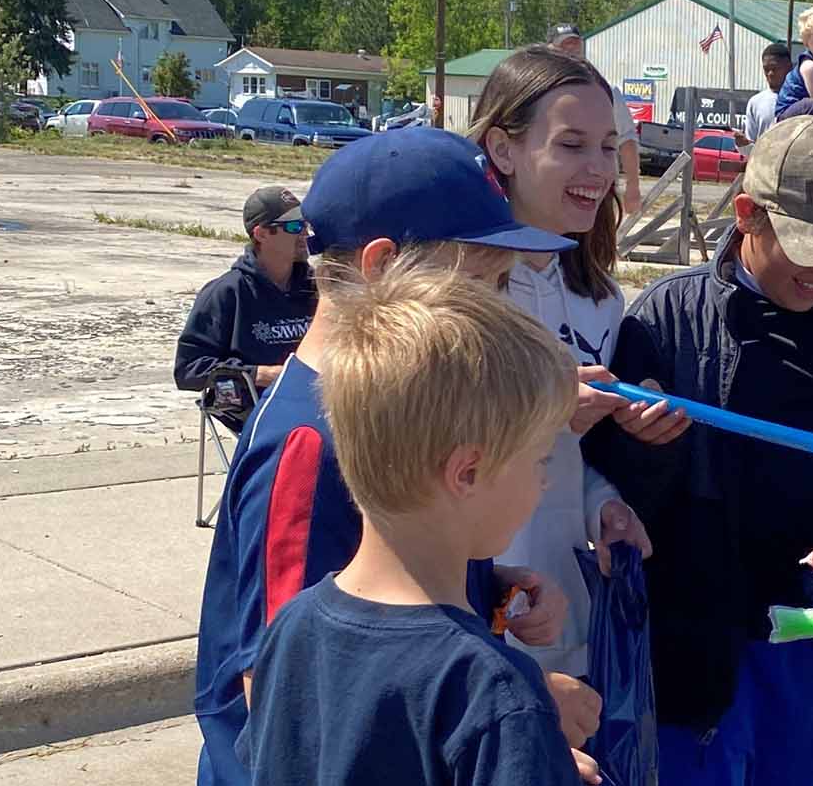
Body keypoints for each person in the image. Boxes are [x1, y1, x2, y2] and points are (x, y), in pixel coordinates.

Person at [193, 128, 586, 786]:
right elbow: (285, 689)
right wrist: (510, 717)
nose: (498, 305)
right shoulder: (307, 441)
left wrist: (485, 585)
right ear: (382, 268)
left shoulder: (390, 415)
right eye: (485, 281)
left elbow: (373, 588)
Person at [584, 115, 813, 786]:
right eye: (810, 248)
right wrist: (646, 449)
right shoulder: (663, 320)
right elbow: (613, 496)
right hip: (697, 643)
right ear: (748, 216)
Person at [470, 47, 682, 700]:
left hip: (566, 610)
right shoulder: (457, 285)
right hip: (475, 604)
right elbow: (423, 450)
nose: (599, 168)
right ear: (503, 149)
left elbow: (566, 457)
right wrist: (545, 406)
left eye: (609, 147)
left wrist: (606, 505)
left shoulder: (602, 299)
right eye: (572, 144)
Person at [174, 185, 318, 398]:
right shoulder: (227, 292)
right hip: (256, 406)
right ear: (261, 234)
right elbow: (189, 370)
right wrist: (261, 374)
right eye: (295, 226)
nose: (305, 234)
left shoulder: (317, 288)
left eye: (306, 225)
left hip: (316, 399)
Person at [547, 23, 642, 216]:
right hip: (548, 193)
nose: (572, 51)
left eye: (576, 45)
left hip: (595, 193)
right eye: (564, 46)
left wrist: (633, 186)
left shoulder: (605, 92)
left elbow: (626, 139)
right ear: (549, 50)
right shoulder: (537, 93)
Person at [741, 41, 793, 147]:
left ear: (789, 67)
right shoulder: (755, 102)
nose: (770, 74)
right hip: (764, 162)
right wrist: (742, 145)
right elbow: (751, 147)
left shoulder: (802, 99)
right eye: (766, 69)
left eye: (775, 68)